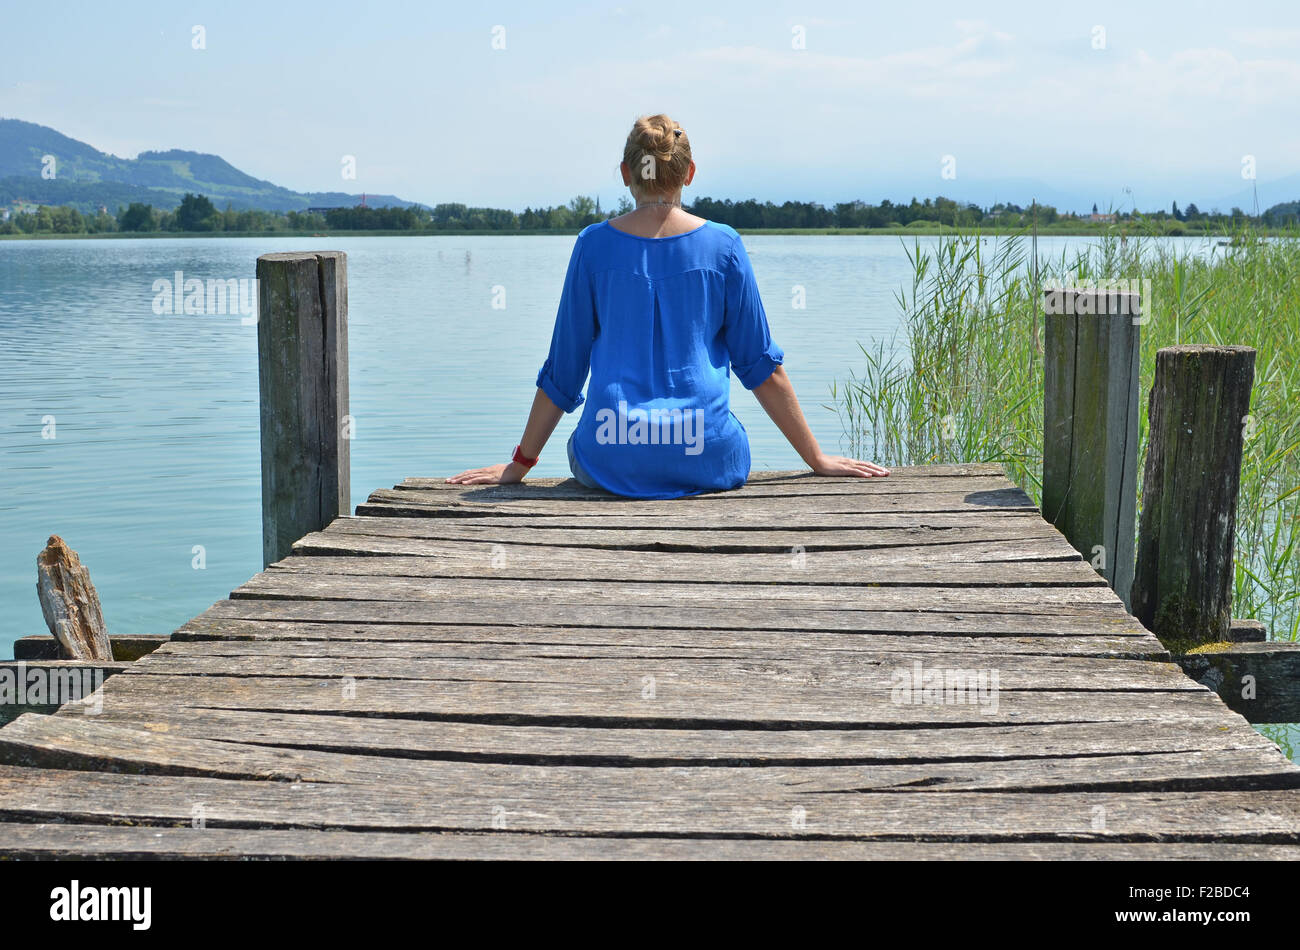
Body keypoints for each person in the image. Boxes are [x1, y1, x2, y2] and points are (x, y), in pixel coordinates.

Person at [448, 113, 889, 496]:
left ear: (625, 173)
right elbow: (762, 369)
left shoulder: (593, 246)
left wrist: (519, 464)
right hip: (706, 453)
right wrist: (816, 458)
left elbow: (565, 370)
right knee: (723, 432)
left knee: (589, 444)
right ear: (690, 172)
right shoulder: (724, 246)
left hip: (610, 458)